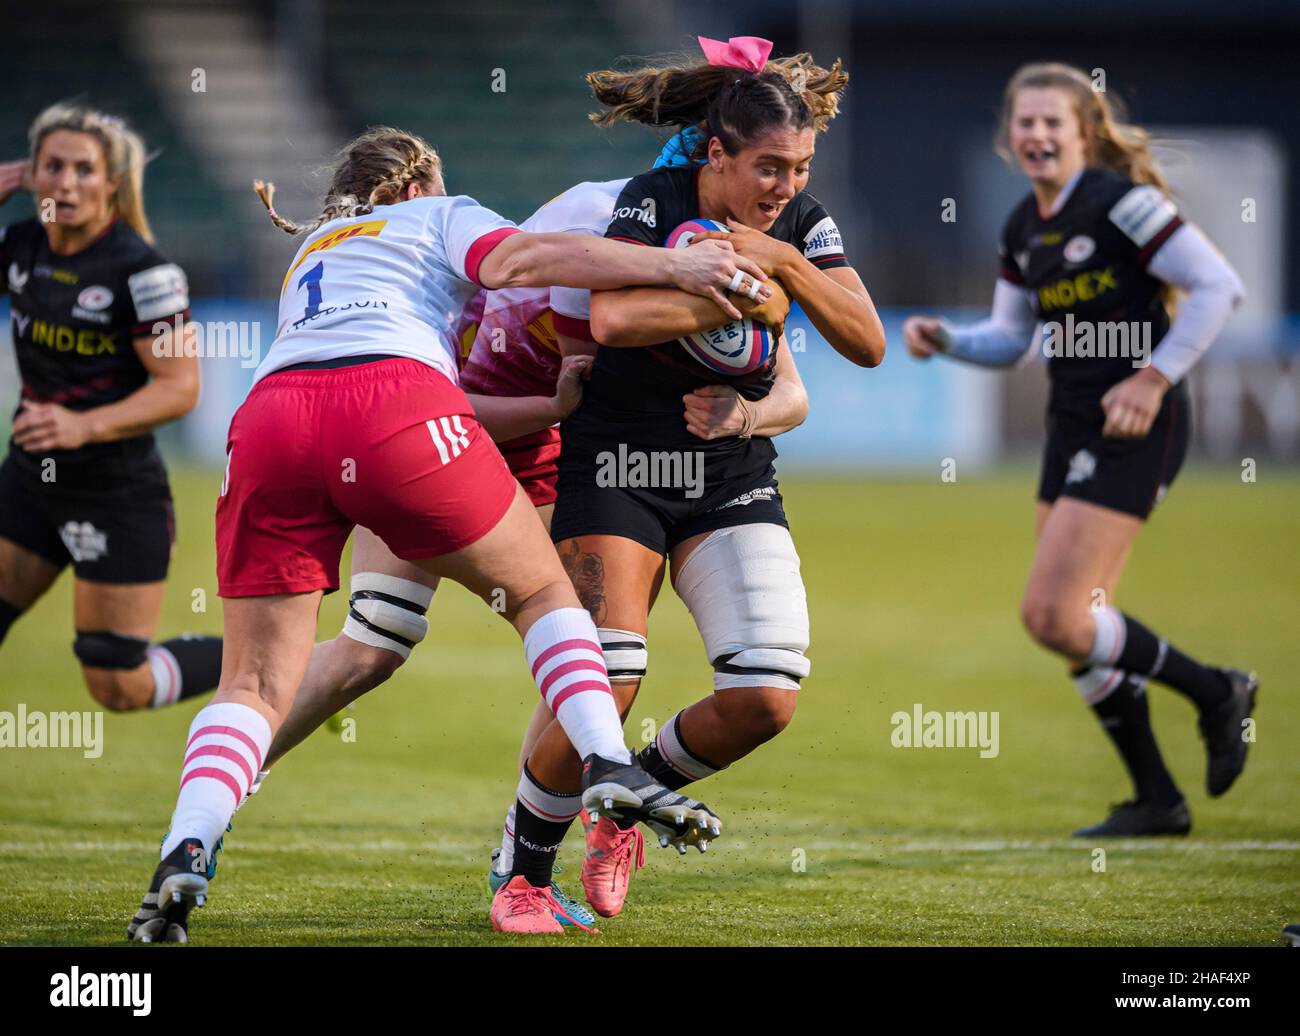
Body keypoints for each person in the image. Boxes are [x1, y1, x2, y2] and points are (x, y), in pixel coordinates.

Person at [125, 125, 771, 942]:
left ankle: (187, 844)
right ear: (417, 180)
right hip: (397, 404)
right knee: (544, 592)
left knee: (253, 683)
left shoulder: (318, 246)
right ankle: (608, 764)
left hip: (270, 420)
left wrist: (546, 408)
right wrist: (675, 262)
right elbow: (520, 260)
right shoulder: (440, 213)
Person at [494, 35, 885, 925]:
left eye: (798, 167)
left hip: (729, 474)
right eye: (768, 167)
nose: (784, 186)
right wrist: (744, 294)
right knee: (610, 673)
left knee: (766, 695)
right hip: (620, 463)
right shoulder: (651, 201)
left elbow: (866, 340)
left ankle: (631, 800)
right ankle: (522, 870)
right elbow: (617, 317)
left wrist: (782, 262)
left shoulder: (802, 223)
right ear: (717, 156)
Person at [903, 62, 1256, 837]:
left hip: (1135, 425)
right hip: (1071, 428)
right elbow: (1011, 338)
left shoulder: (1121, 203)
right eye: (1023, 123)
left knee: (1054, 614)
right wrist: (949, 340)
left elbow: (1217, 286)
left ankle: (1215, 691)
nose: (1035, 135)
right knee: (1078, 624)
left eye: (1051, 122)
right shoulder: (1023, 227)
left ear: (1084, 133)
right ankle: (1157, 799)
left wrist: (1154, 378)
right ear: (1009, 137)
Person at [0, 102, 221, 711]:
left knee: (118, 684)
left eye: (83, 170)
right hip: (29, 478)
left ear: (112, 184)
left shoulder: (144, 273)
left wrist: (83, 425)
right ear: (31, 174)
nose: (66, 183)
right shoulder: (19, 244)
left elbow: (181, 387)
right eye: (52, 167)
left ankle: (265, 659)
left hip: (114, 491)